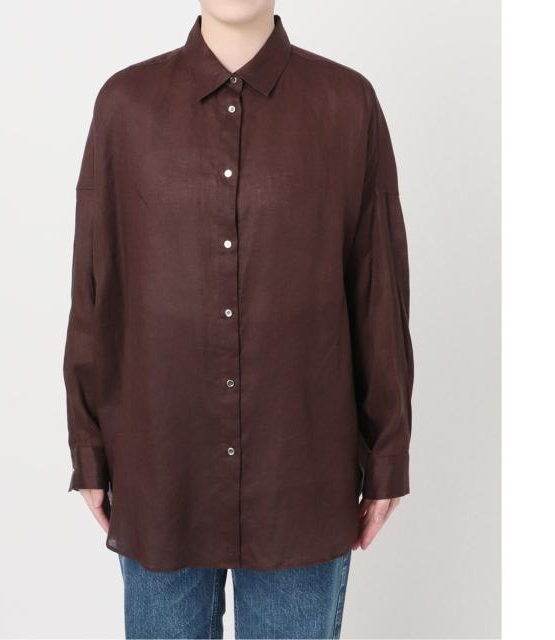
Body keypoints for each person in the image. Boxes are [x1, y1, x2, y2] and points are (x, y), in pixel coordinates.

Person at [63, 1, 414, 638]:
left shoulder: (346, 104)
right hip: (162, 469)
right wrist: (87, 449)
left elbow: (377, 290)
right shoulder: (126, 106)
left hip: (302, 474)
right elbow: (96, 290)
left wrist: (388, 450)